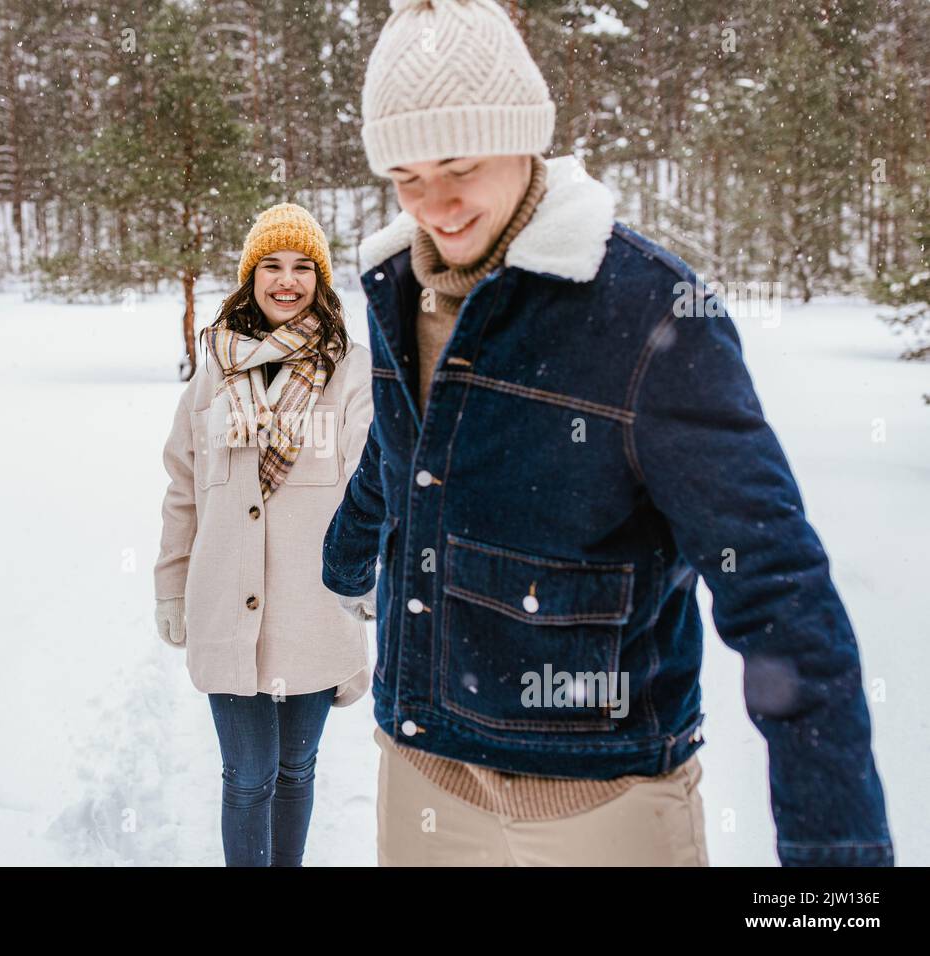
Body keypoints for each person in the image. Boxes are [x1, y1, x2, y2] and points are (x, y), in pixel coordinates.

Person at [322, 0, 893, 867]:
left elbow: (776, 584)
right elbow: (405, 452)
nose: (434, 205)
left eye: (458, 165)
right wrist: (347, 548)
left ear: (523, 138)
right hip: (425, 779)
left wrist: (836, 864)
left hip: (602, 800)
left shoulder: (648, 313)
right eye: (405, 176)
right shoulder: (397, 288)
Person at [154, 202, 374, 866]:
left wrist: (369, 583)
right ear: (250, 276)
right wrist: (169, 588)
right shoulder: (214, 370)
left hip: (314, 609)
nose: (287, 280)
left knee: (296, 771)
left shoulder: (352, 369)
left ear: (322, 279)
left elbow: (373, 483)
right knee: (248, 778)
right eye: (271, 265)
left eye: (303, 267)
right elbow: (183, 490)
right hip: (226, 605)